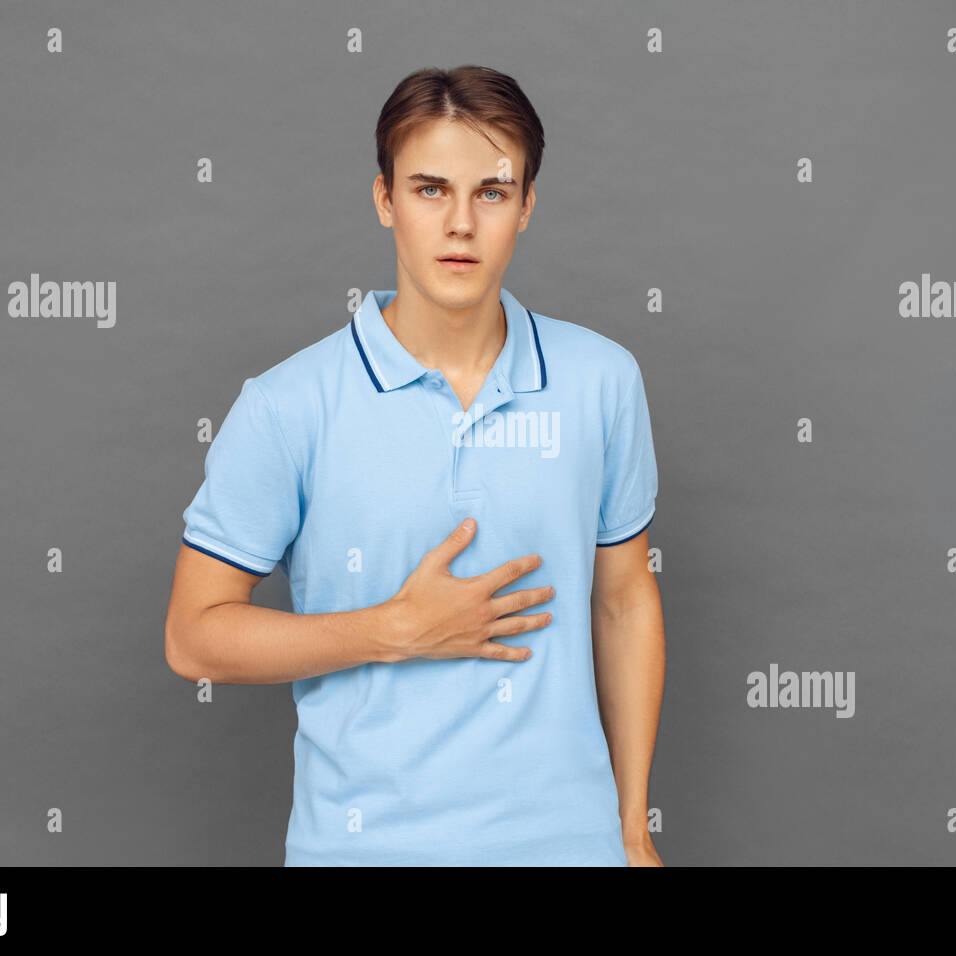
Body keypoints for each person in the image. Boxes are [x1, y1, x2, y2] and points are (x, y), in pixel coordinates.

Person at [164, 64, 665, 866]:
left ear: (527, 206)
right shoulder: (288, 404)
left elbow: (625, 601)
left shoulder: (603, 380)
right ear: (385, 200)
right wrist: (396, 630)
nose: (460, 223)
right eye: (431, 190)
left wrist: (633, 830)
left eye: (492, 192)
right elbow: (194, 638)